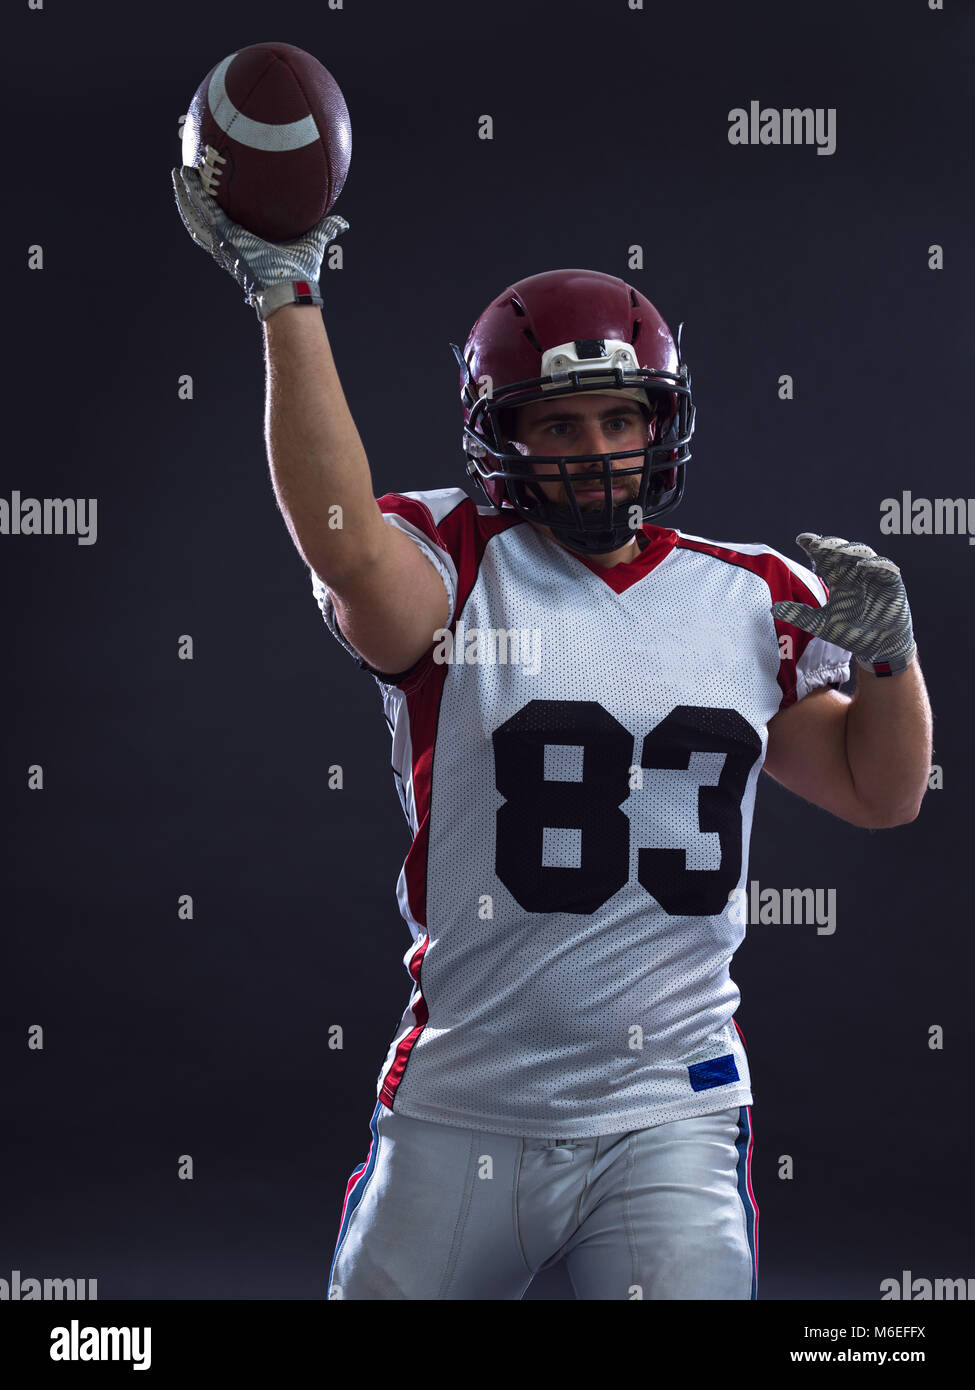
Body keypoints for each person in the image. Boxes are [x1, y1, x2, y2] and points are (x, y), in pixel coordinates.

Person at [172, 168, 934, 1300]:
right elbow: (341, 543)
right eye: (558, 422)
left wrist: (891, 660)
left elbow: (885, 790)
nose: (595, 449)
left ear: (659, 422)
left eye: (619, 417)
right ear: (503, 437)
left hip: (668, 1113)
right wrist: (288, 297)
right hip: (463, 1102)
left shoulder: (749, 594)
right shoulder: (462, 562)